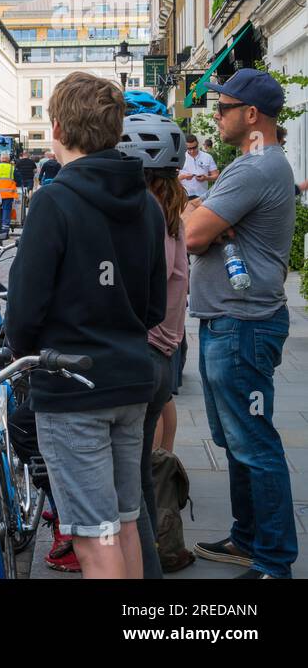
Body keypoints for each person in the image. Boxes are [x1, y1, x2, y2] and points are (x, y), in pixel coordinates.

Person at [6, 72, 166, 580]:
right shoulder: (145, 202)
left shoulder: (55, 199)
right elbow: (154, 305)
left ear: (57, 126)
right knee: (123, 524)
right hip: (131, 376)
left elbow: (25, 308)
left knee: (93, 538)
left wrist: (26, 356)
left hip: (74, 383)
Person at [182, 68, 298, 579]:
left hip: (242, 323)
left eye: (224, 107)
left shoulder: (253, 169)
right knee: (236, 439)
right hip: (231, 319)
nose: (217, 115)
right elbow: (201, 224)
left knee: (255, 443)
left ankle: (273, 561)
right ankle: (246, 538)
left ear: (252, 116)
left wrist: (202, 214)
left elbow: (190, 235)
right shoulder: (255, 165)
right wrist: (206, 216)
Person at [118, 113, 191, 578]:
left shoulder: (149, 218)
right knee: (137, 482)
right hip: (161, 359)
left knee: (129, 491)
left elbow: (139, 294)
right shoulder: (170, 215)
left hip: (145, 358)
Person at [179, 132, 219, 200]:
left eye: (194, 148)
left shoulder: (207, 157)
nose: (192, 151)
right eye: (189, 148)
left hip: (202, 196)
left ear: (198, 144)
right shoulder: (180, 157)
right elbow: (172, 179)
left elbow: (216, 176)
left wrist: (206, 178)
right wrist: (183, 177)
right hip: (184, 196)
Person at [0, 151, 18, 231]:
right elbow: (18, 179)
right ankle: (5, 229)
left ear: (0, 159)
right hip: (8, 193)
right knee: (6, 210)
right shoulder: (12, 168)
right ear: (9, 159)